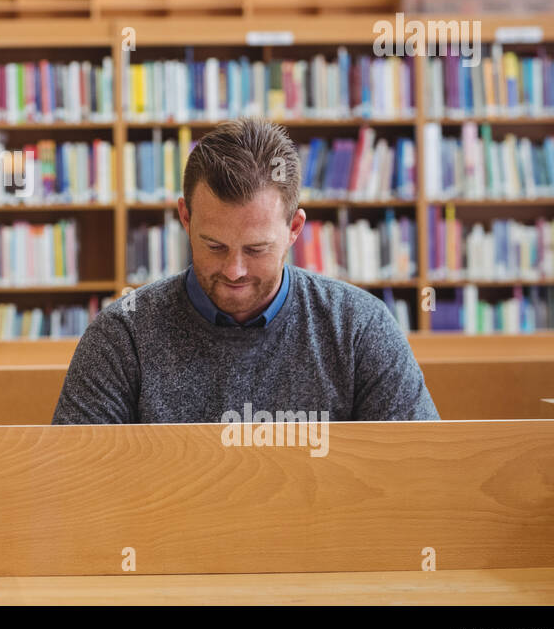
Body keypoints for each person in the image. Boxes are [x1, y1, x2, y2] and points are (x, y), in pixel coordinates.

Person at [53, 116, 438, 424]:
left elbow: (419, 473)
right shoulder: (124, 335)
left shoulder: (359, 327)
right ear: (185, 217)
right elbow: (74, 487)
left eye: (256, 249)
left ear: (294, 229)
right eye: (214, 245)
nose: (234, 270)